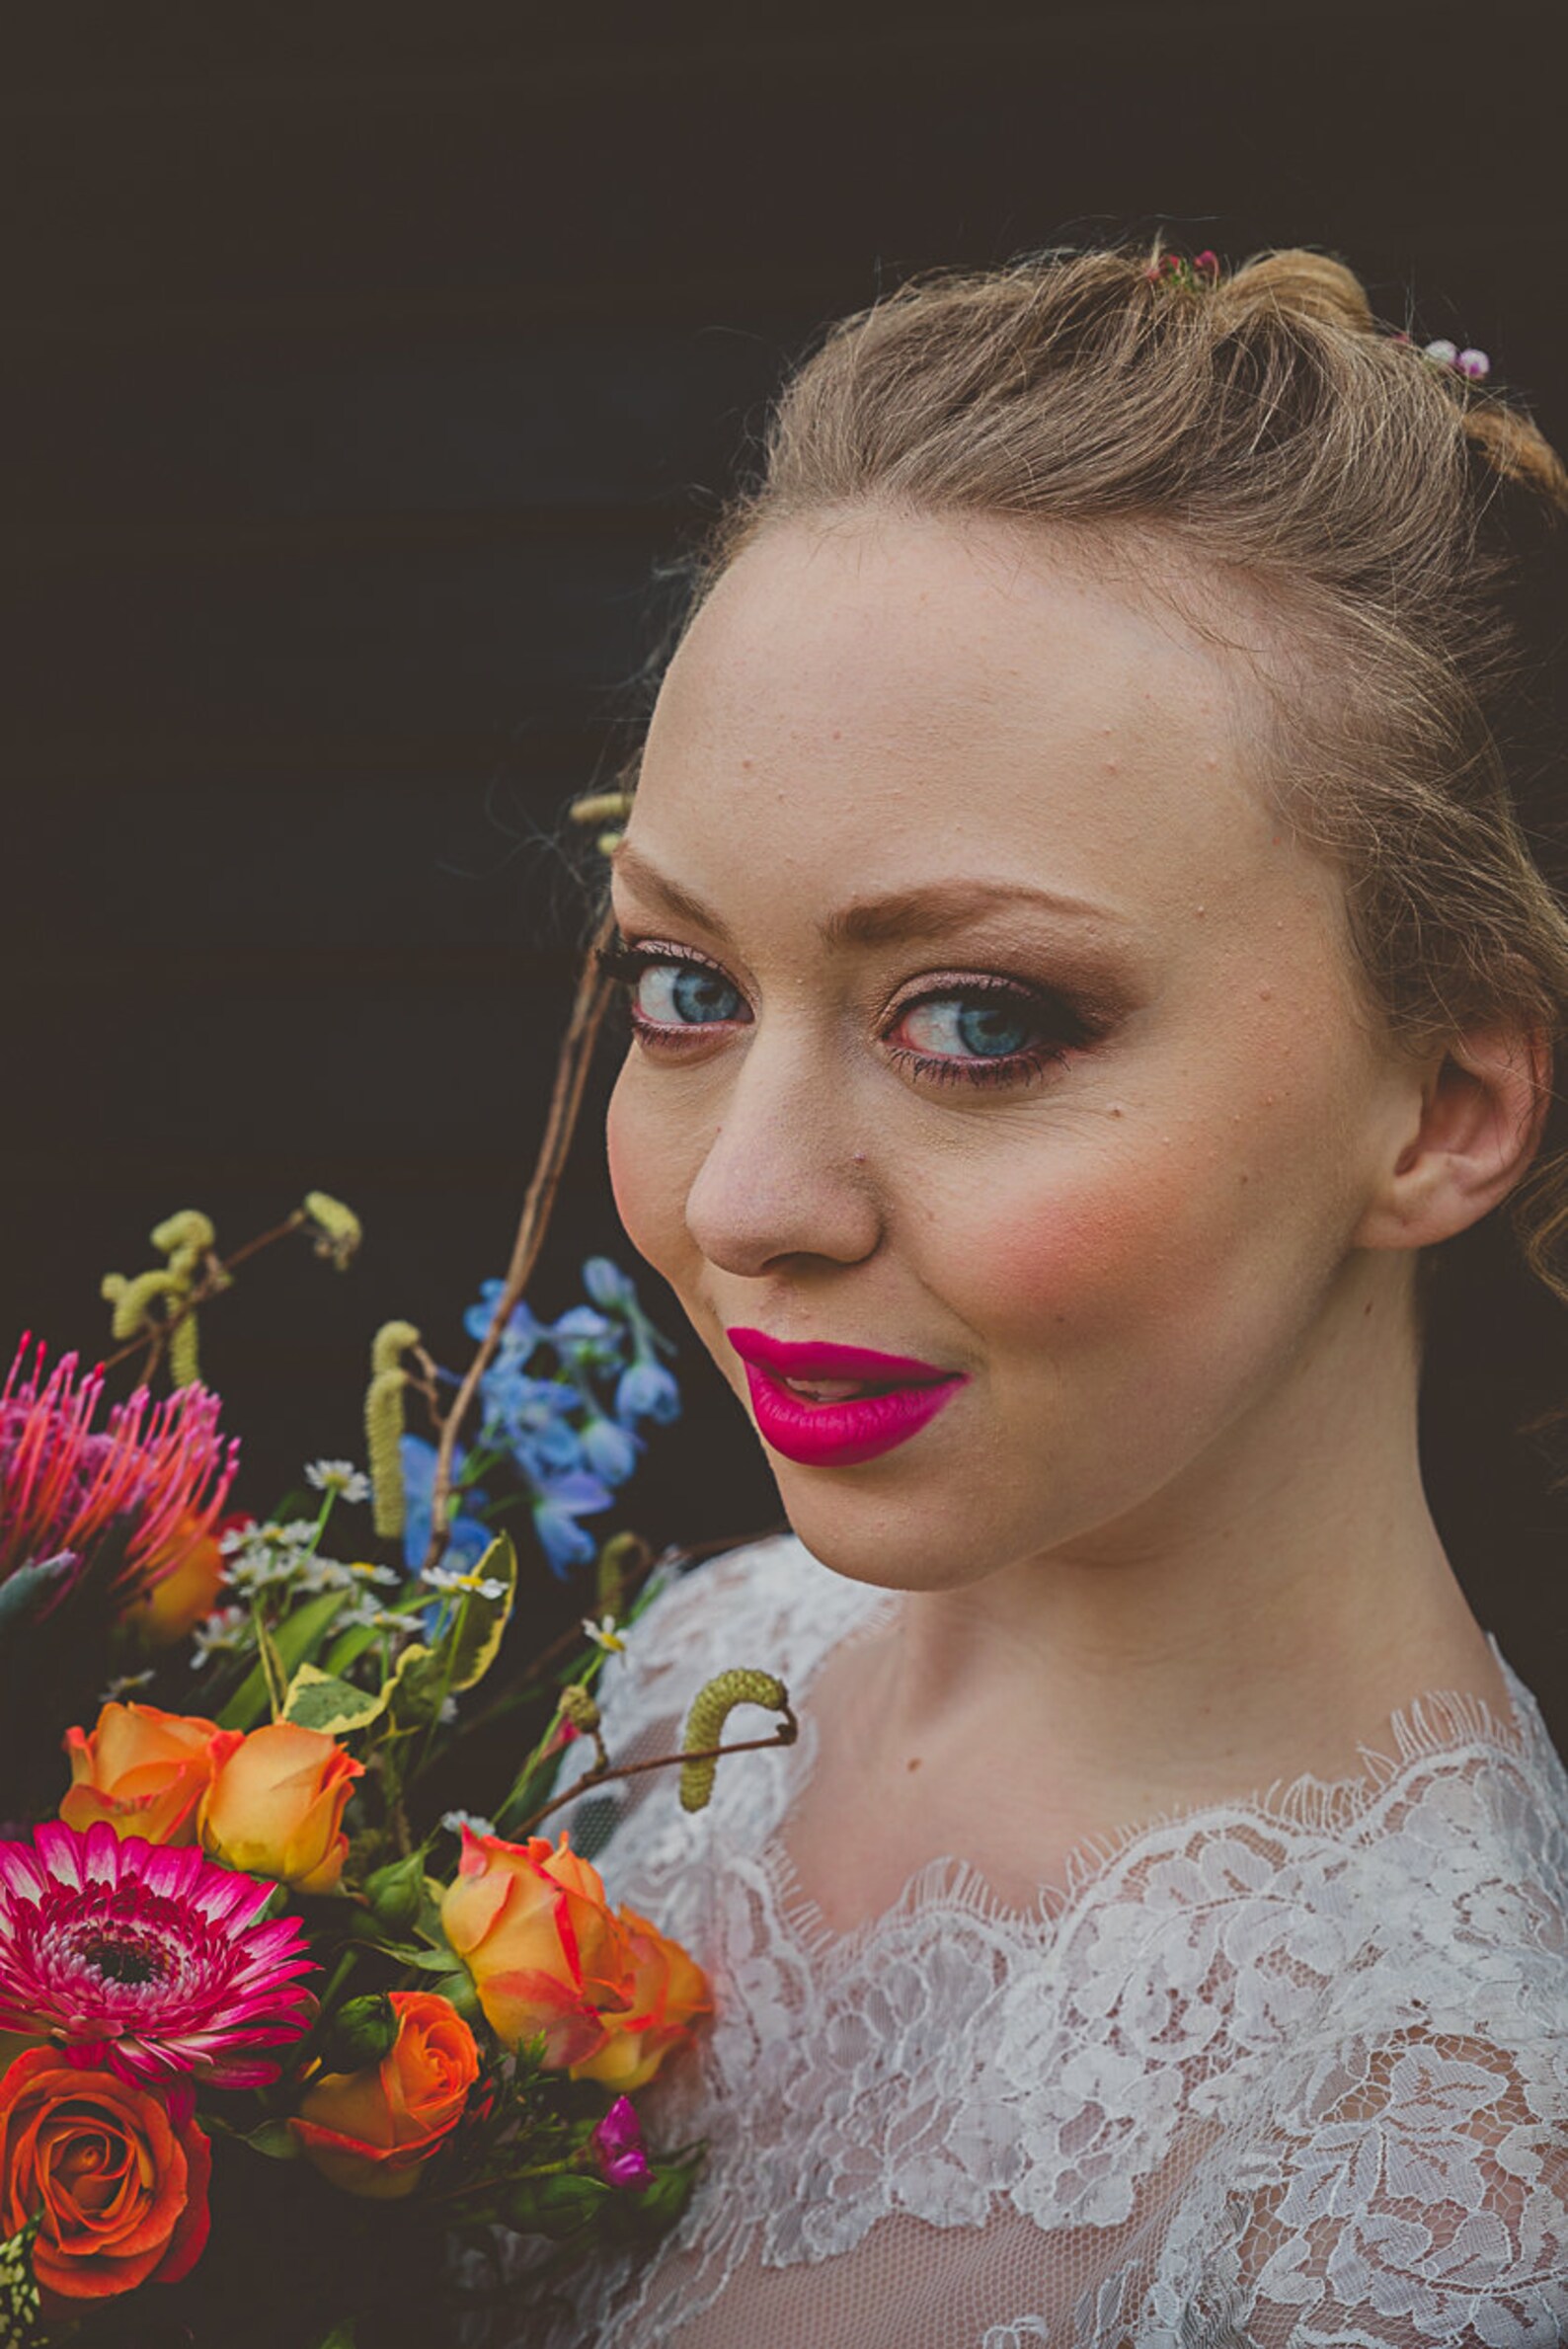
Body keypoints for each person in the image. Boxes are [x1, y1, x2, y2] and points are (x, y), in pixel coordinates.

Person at [514, 243, 1568, 2345]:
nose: (745, 1198)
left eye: (976, 1020)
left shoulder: (1422, 2179)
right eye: (685, 986)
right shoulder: (691, 1676)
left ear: (1443, 1102)